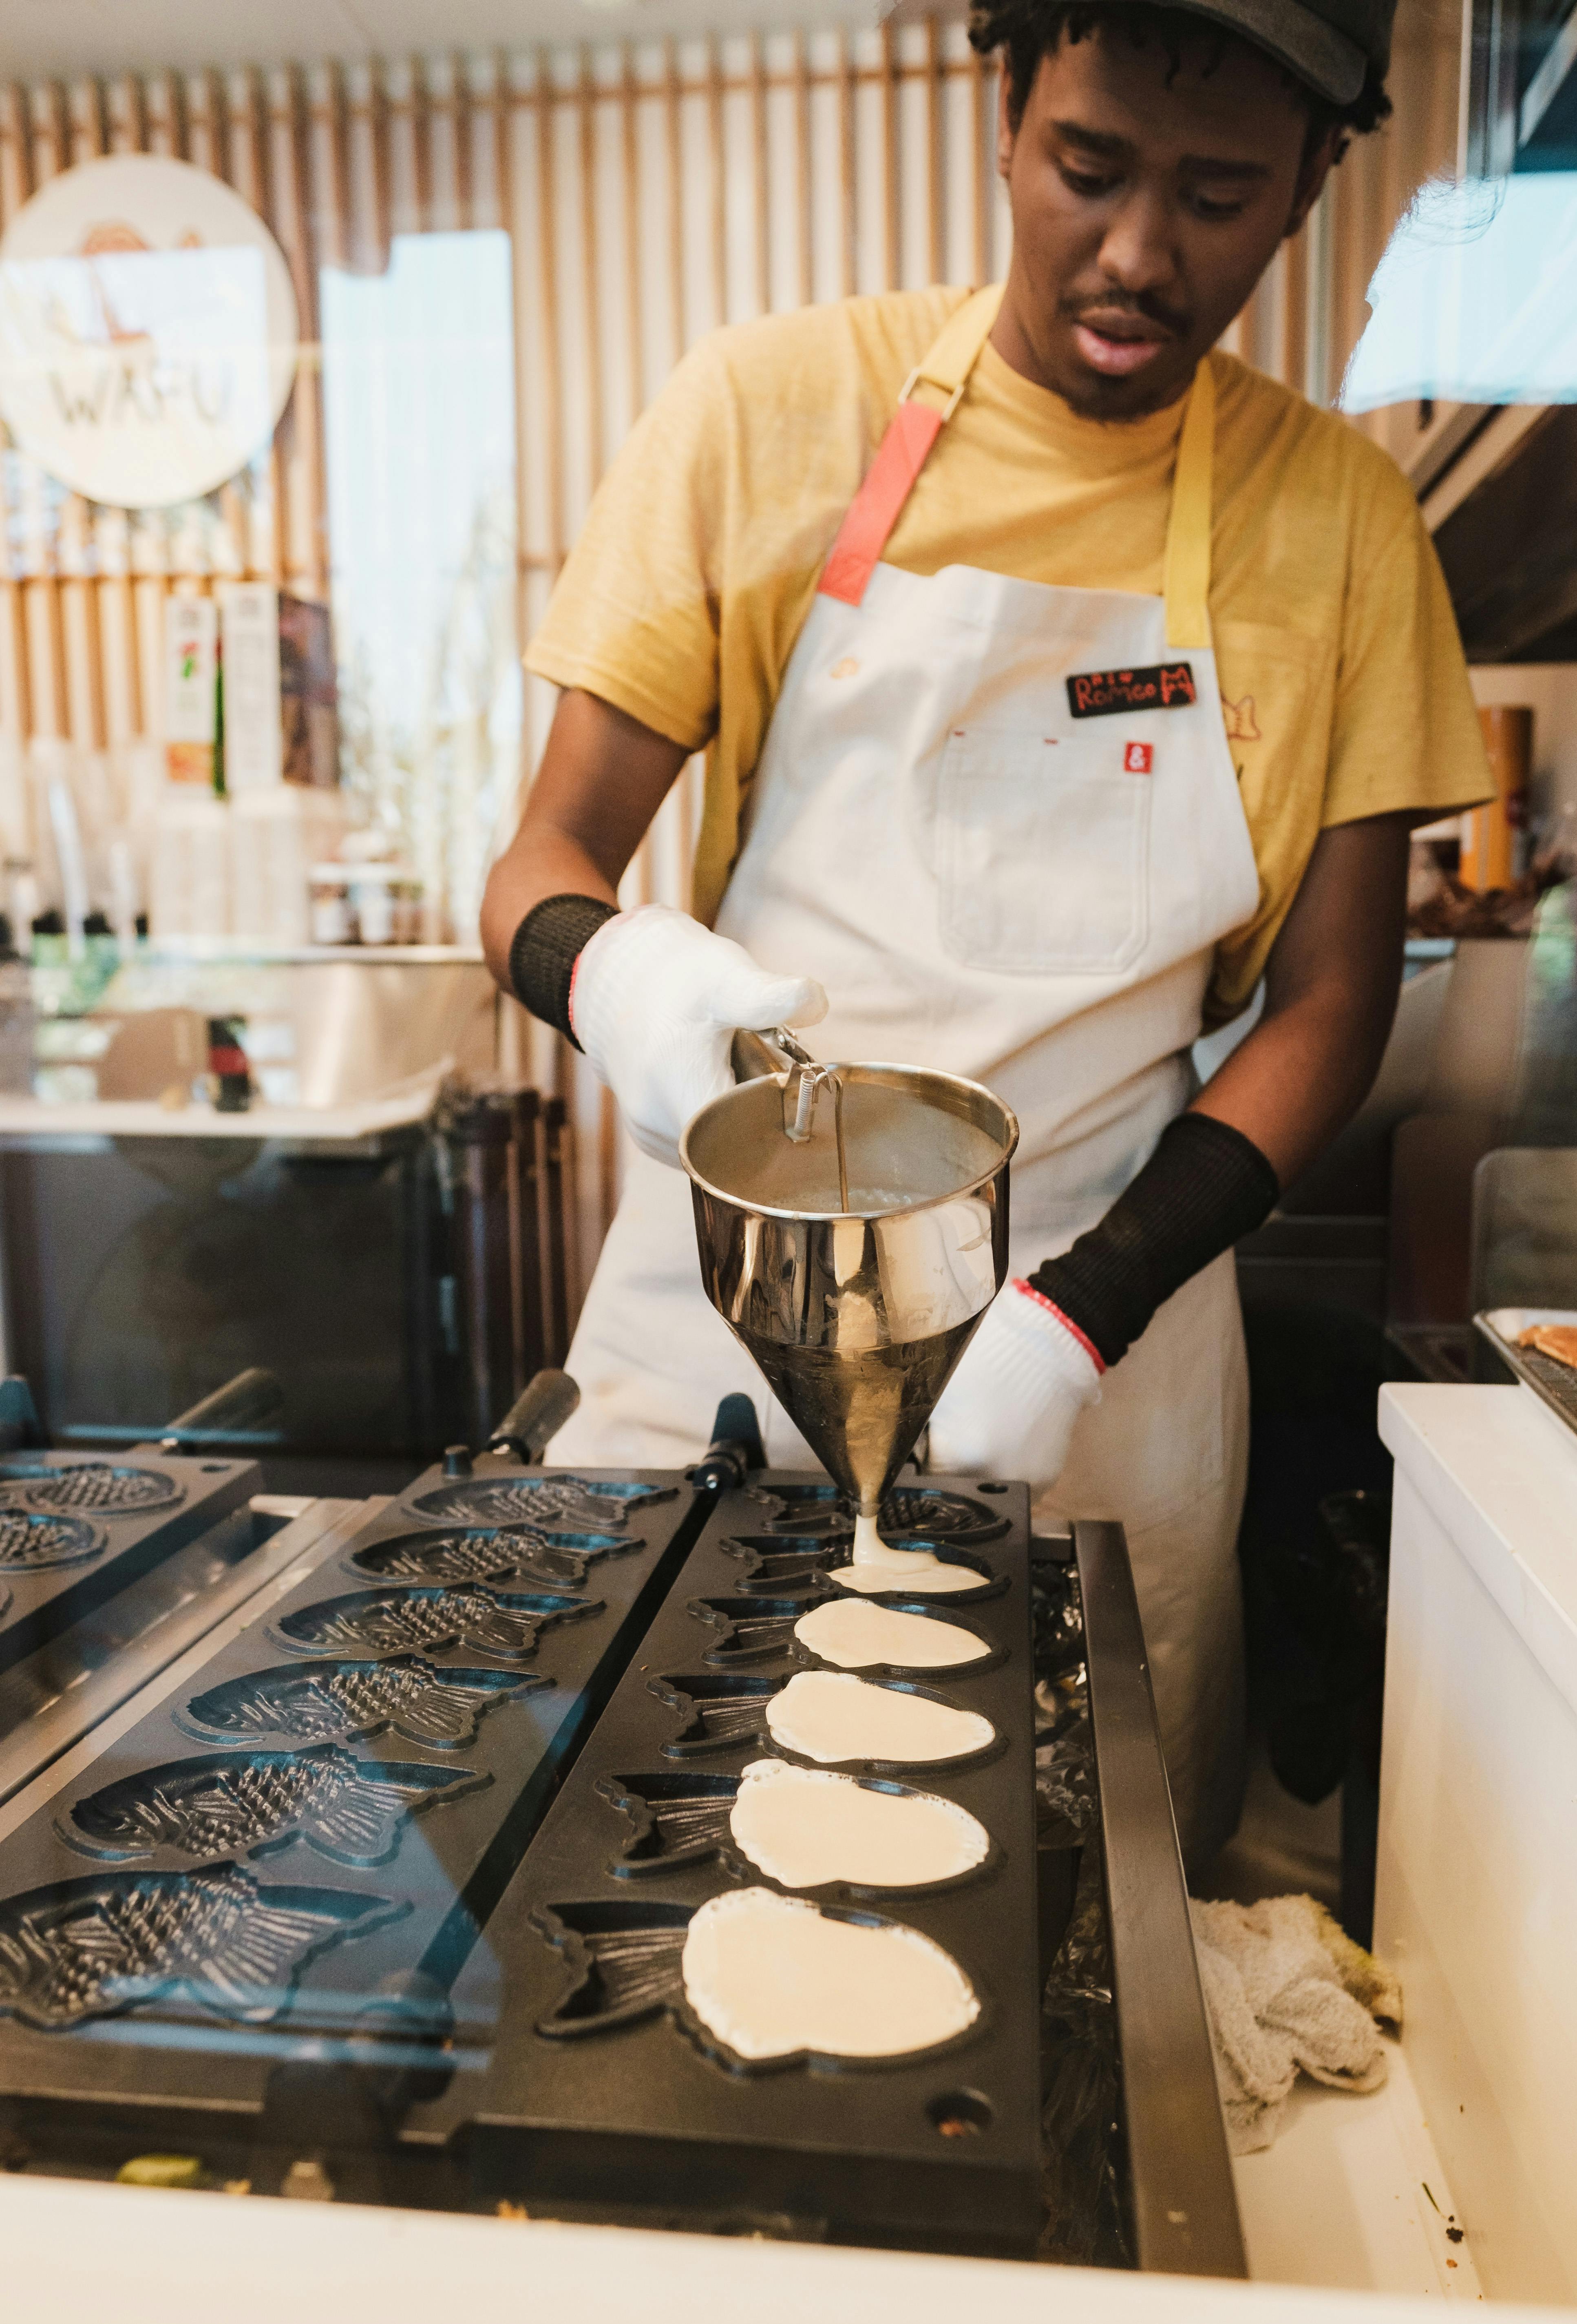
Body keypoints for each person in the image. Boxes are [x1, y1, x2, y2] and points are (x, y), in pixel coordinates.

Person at [480, 0, 1492, 1863]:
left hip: (1094, 1356)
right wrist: (616, 972)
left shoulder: (1340, 521)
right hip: (726, 1331)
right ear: (1005, 102)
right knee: (639, 1859)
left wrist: (1084, 1305)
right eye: (1087, 170)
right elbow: (540, 857)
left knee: (1058, 1907)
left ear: (1311, 189)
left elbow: (1334, 1003)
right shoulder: (763, 409)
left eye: (1215, 196)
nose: (1135, 256)